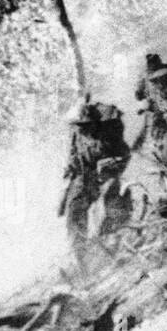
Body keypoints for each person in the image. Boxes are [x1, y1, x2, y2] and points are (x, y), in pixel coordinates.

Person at [61, 100, 130, 261]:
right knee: (75, 207)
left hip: (106, 173)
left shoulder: (109, 133)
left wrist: (110, 164)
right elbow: (73, 154)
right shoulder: (77, 133)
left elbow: (124, 154)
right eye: (79, 125)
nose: (82, 128)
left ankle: (113, 237)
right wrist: (70, 168)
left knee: (112, 200)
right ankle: (79, 253)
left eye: (86, 124)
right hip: (84, 175)